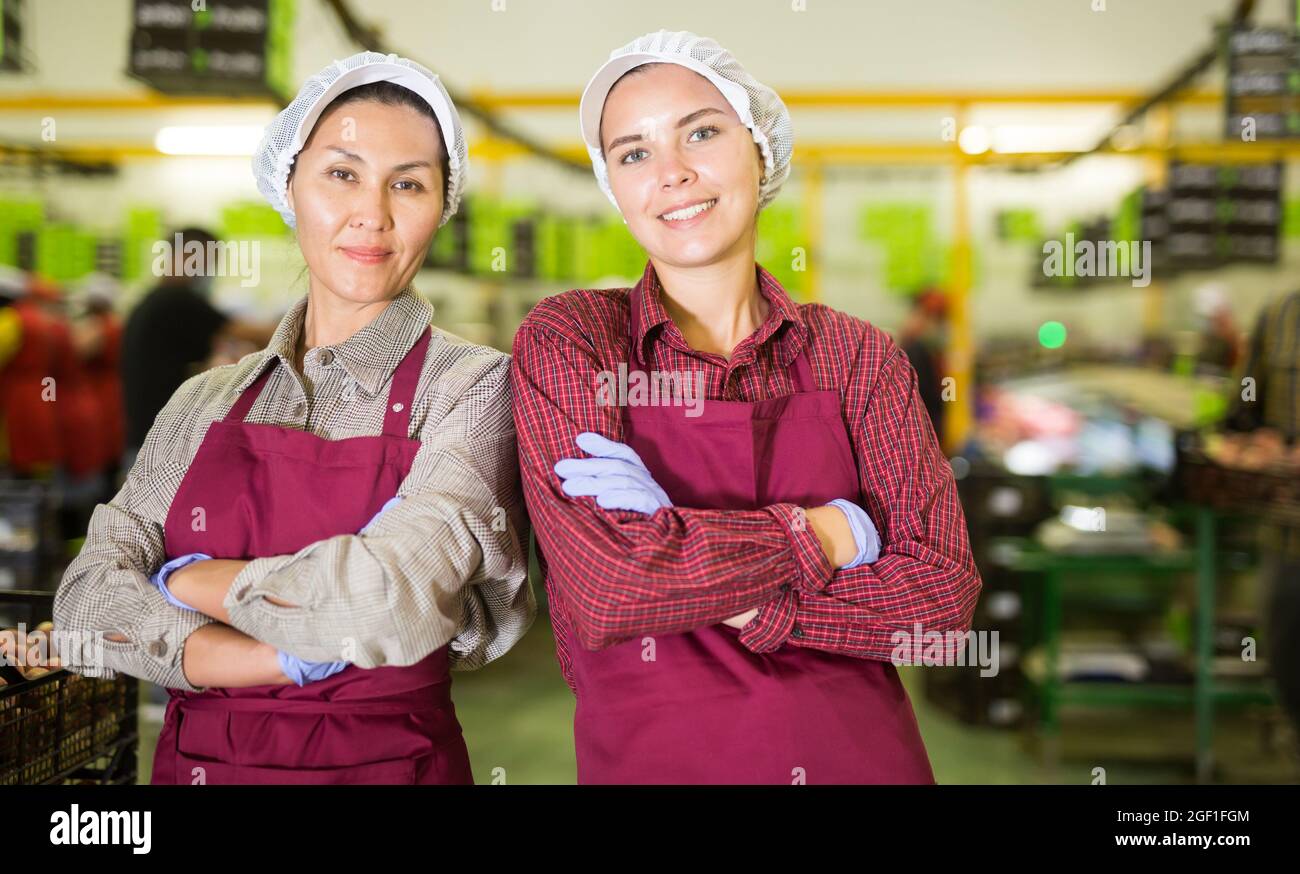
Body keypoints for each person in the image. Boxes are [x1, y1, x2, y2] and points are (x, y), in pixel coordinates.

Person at [511, 30, 981, 784]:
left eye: (700, 132)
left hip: (856, 761)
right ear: (614, 187)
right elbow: (609, 592)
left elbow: (940, 604)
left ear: (759, 149)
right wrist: (822, 532)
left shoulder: (856, 355)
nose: (671, 173)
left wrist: (736, 594)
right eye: (633, 153)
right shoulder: (575, 340)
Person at [54, 51, 534, 785]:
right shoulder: (203, 400)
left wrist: (185, 583)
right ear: (289, 185)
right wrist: (270, 657)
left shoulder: (473, 388)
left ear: (444, 205)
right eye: (342, 174)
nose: (371, 213)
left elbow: (382, 602)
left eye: (407, 184)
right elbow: (88, 600)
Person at [120, 226, 272, 463]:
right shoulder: (177, 300)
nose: (209, 272)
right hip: (163, 443)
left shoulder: (152, 299)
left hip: (147, 434)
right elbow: (251, 334)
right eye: (208, 262)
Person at [1226, 289, 1300, 749]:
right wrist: (1256, 442)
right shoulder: (1280, 317)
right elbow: (1239, 415)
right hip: (1290, 540)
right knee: (1289, 665)